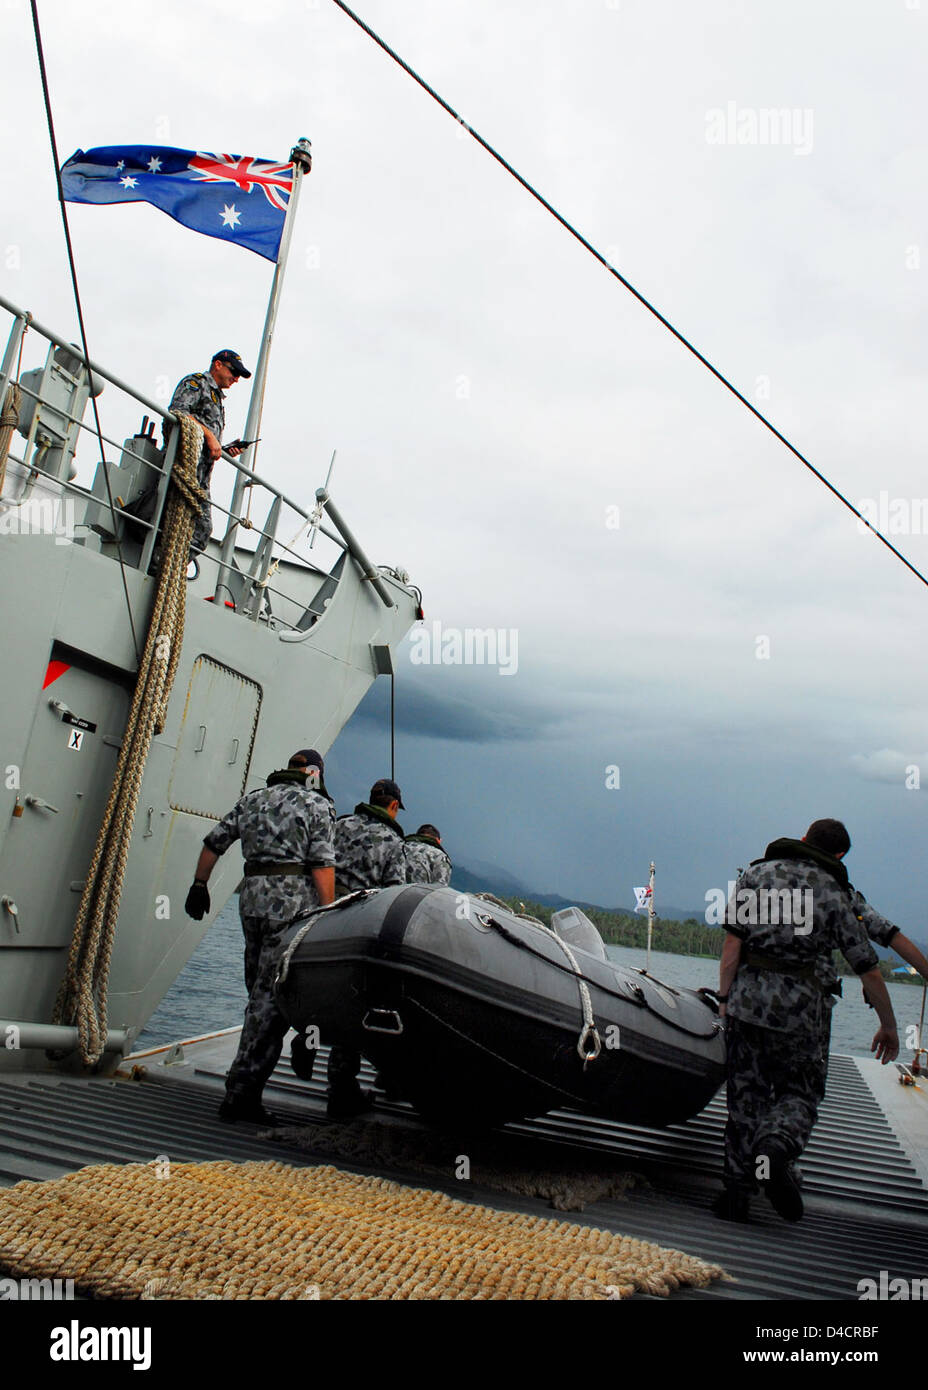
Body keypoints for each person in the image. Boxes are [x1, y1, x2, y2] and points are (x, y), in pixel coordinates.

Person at [715, 818, 899, 1224]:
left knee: (746, 1097)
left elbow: (732, 945)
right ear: (839, 856)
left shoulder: (755, 875)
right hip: (804, 1015)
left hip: (748, 1006)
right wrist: (888, 1025)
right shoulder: (834, 893)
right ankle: (776, 1147)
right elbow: (866, 966)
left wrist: (726, 998)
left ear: (802, 839)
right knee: (800, 1093)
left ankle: (736, 1196)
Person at [184, 748, 335, 1124]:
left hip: (251, 902)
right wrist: (329, 913)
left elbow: (213, 843)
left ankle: (243, 1083)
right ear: (314, 773)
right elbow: (321, 866)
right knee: (271, 999)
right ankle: (241, 1094)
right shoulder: (316, 806)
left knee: (257, 989)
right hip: (290, 908)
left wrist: (199, 884)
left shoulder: (253, 800)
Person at [328, 778, 407, 1117]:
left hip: (321, 921)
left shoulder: (340, 825)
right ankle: (341, 1091)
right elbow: (395, 895)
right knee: (352, 1008)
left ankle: (302, 1041)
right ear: (393, 806)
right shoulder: (392, 842)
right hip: (356, 932)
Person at [169, 349, 250, 555]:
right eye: (234, 372)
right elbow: (178, 411)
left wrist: (223, 450)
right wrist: (210, 437)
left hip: (201, 477)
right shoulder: (197, 383)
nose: (236, 379)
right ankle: (155, 568)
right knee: (179, 524)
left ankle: (167, 570)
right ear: (218, 365)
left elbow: (205, 436)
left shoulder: (216, 398)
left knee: (201, 531)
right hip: (181, 468)